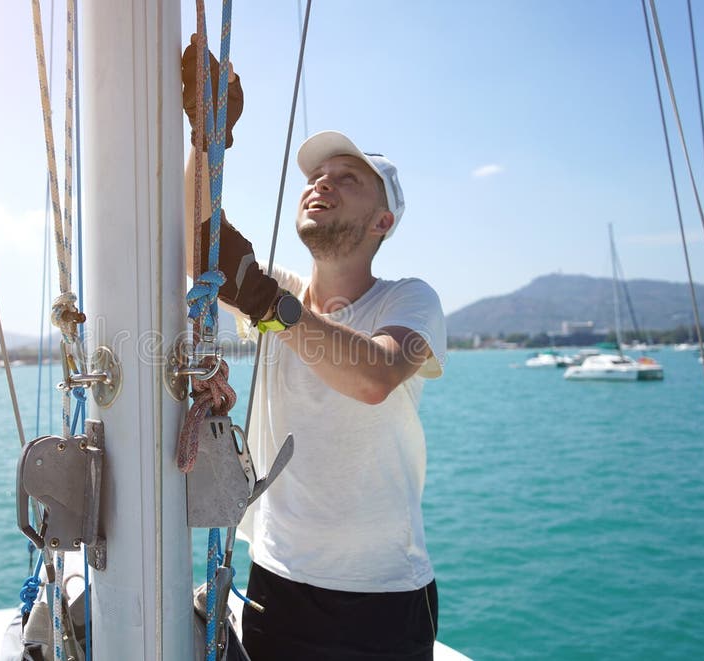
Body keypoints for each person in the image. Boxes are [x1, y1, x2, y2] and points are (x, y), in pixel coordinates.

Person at [182, 38, 447, 661]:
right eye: (316, 176)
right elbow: (196, 246)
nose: (321, 183)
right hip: (275, 584)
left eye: (347, 180)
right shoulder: (281, 293)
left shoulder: (409, 299)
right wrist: (207, 140)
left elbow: (375, 375)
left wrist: (267, 304)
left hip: (381, 598)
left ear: (382, 221)